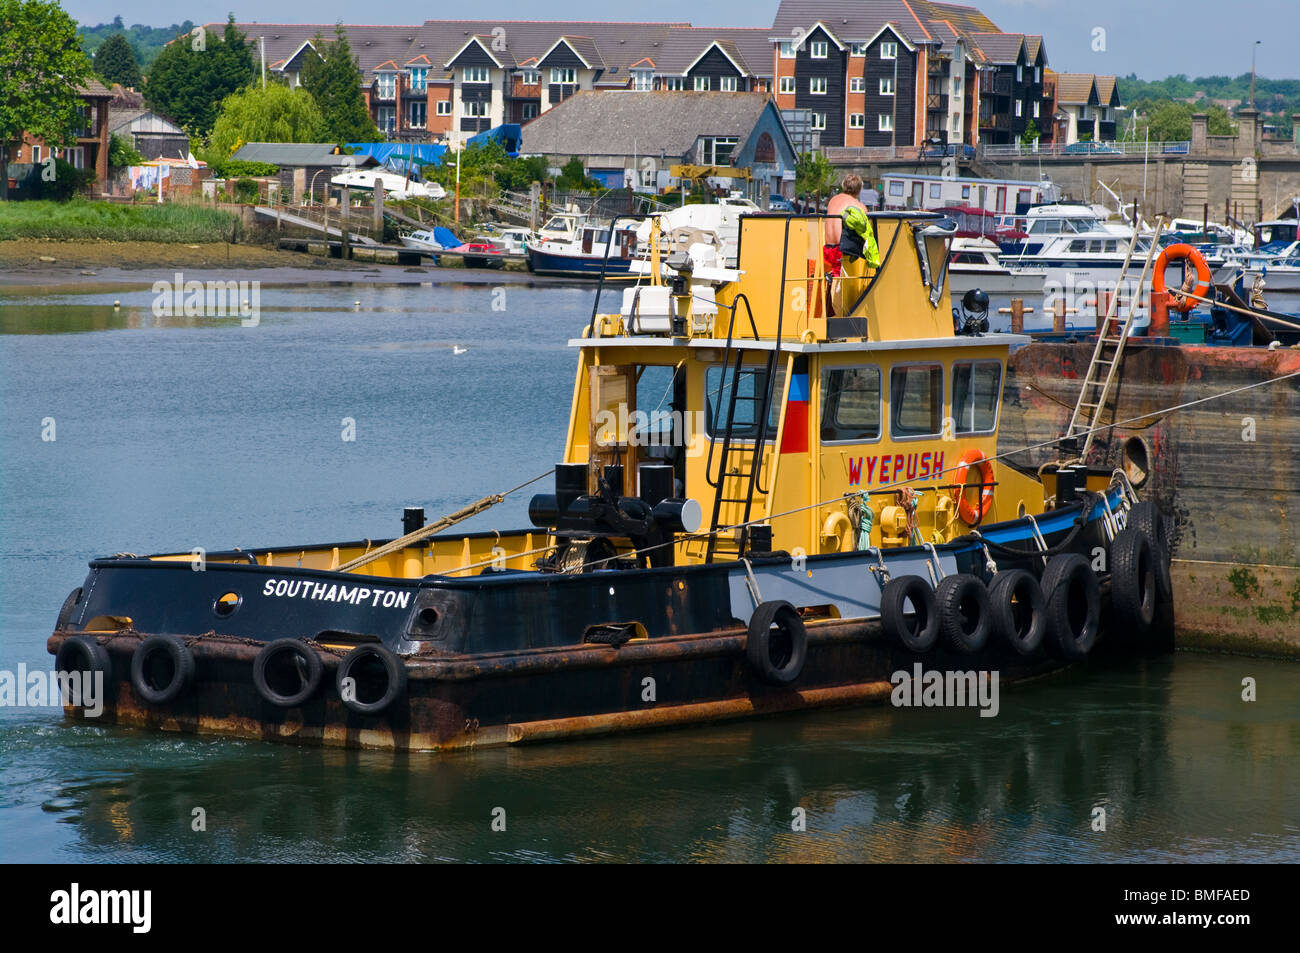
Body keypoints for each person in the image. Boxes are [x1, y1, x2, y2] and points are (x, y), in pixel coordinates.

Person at [823, 174, 867, 275]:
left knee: (828, 284)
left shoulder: (833, 201)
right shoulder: (858, 205)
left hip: (827, 249)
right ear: (859, 189)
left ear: (843, 185)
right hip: (841, 253)